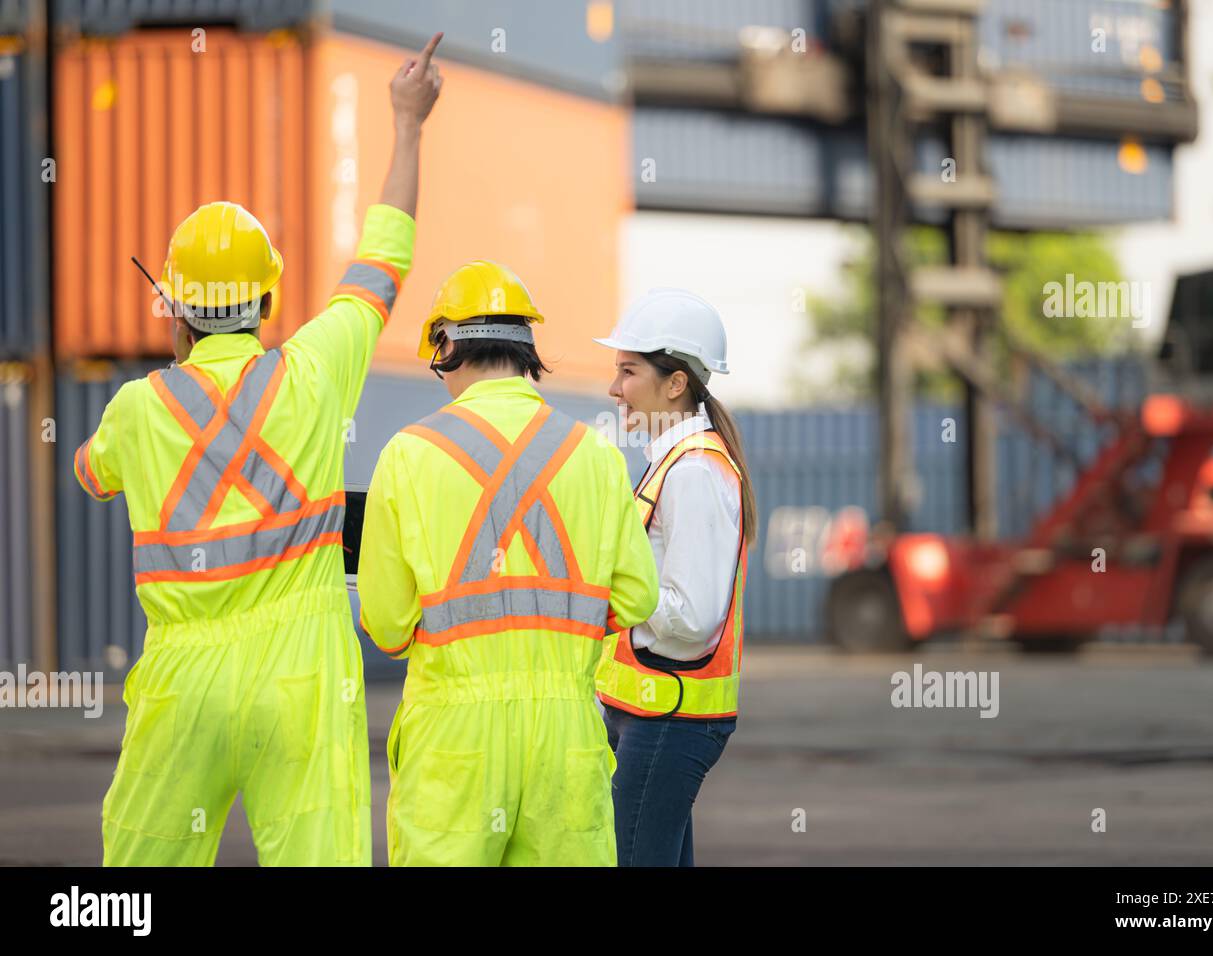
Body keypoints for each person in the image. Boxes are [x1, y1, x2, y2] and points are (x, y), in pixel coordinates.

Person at [73, 33, 445, 866]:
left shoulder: (138, 409)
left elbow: (88, 472)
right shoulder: (315, 371)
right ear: (269, 297)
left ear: (172, 305)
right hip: (302, 676)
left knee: (140, 876)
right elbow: (383, 263)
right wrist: (407, 122)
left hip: (185, 685)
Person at [356, 260, 659, 866]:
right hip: (565, 744)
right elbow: (636, 599)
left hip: (454, 742)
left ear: (446, 348)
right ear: (528, 350)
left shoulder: (409, 454)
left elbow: (387, 625)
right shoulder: (596, 455)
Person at [593, 288, 756, 867]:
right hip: (654, 714)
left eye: (628, 371)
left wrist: (607, 589)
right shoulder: (672, 464)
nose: (615, 389)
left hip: (670, 719)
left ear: (675, 383)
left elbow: (694, 617)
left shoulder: (694, 473)